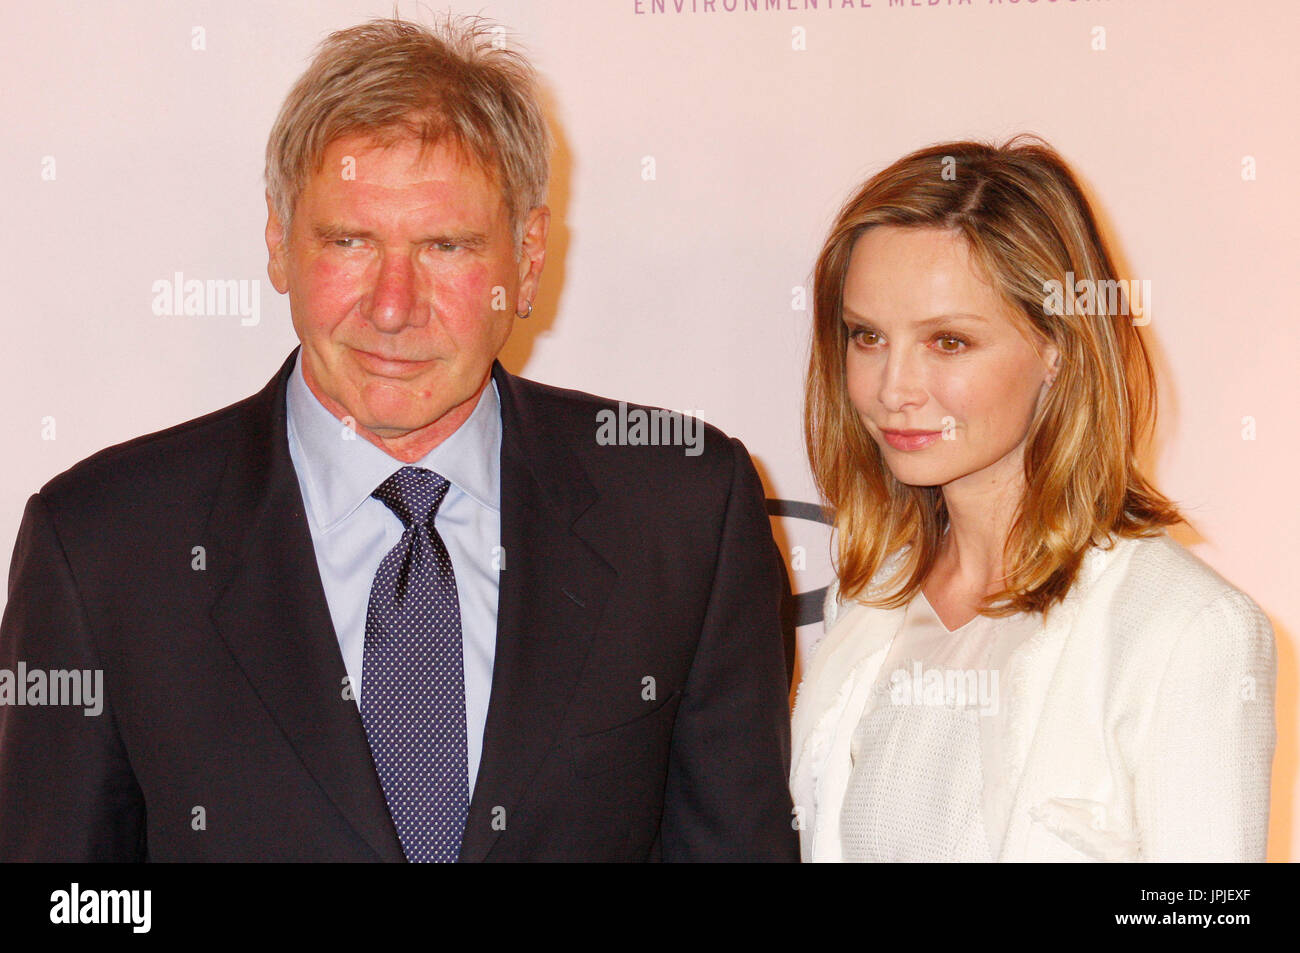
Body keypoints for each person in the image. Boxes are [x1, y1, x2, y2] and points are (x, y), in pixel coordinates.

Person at [0, 16, 797, 862]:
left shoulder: (682, 509)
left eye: (446, 246)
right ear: (278, 241)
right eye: (349, 241)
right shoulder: (102, 544)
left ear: (527, 260)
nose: (391, 305)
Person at [790, 136, 1276, 862]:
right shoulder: (869, 602)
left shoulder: (1185, 628)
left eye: (948, 342)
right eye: (867, 336)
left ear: (1059, 345)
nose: (893, 388)